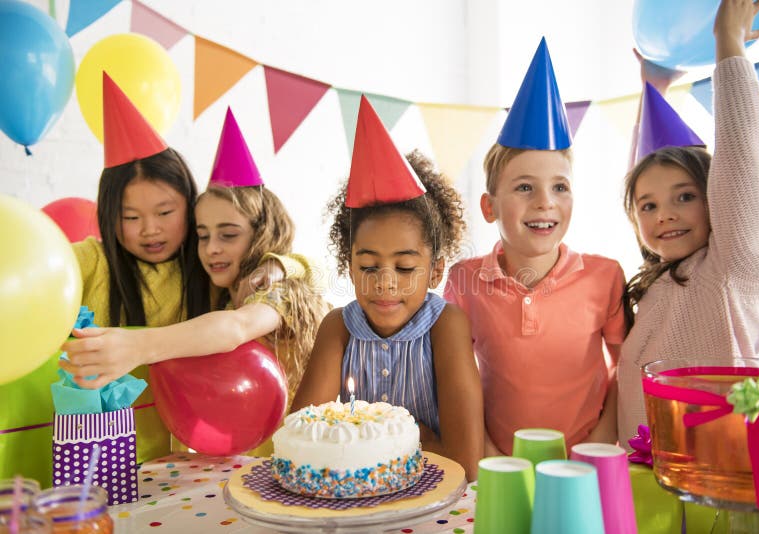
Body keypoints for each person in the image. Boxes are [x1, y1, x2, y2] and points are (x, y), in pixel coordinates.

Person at [61, 108, 328, 456]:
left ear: (263, 232)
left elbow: (239, 325)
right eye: (203, 236)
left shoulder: (270, 288)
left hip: (297, 458)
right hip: (228, 464)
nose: (212, 248)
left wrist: (137, 346)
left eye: (228, 235)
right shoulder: (216, 282)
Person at [617, 0, 759, 446]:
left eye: (686, 197)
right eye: (648, 207)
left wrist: (727, 41)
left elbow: (740, 155)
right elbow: (644, 181)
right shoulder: (658, 284)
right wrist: (653, 87)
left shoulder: (732, 267)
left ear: (718, 201)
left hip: (718, 487)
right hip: (650, 490)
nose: (665, 214)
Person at [444, 37, 626, 456]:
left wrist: (601, 443)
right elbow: (454, 373)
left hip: (589, 459)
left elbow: (623, 368)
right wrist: (485, 449)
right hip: (497, 461)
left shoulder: (605, 277)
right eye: (524, 187)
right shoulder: (465, 280)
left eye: (559, 187)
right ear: (489, 207)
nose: (545, 201)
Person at [291, 96, 483, 481]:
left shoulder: (446, 325)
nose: (385, 282)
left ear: (436, 271)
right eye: (368, 265)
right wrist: (420, 438)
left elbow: (465, 463)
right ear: (349, 265)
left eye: (406, 266)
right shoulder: (338, 328)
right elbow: (300, 442)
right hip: (349, 503)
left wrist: (354, 438)